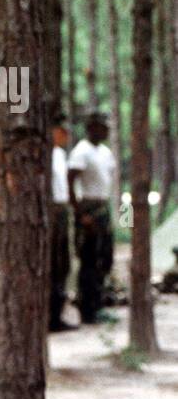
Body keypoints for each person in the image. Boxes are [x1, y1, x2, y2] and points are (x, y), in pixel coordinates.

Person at [67, 112, 117, 324]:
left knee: (105, 257)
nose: (106, 131)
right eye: (103, 127)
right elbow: (70, 183)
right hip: (89, 206)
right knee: (89, 258)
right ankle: (87, 308)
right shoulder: (81, 151)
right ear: (92, 128)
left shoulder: (105, 152)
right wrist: (81, 213)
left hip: (104, 206)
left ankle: (98, 303)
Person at [49, 113, 75, 331]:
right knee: (51, 262)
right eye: (61, 130)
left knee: (62, 264)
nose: (66, 135)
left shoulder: (59, 154)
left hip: (62, 209)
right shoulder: (44, 154)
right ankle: (49, 316)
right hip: (51, 210)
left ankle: (57, 315)